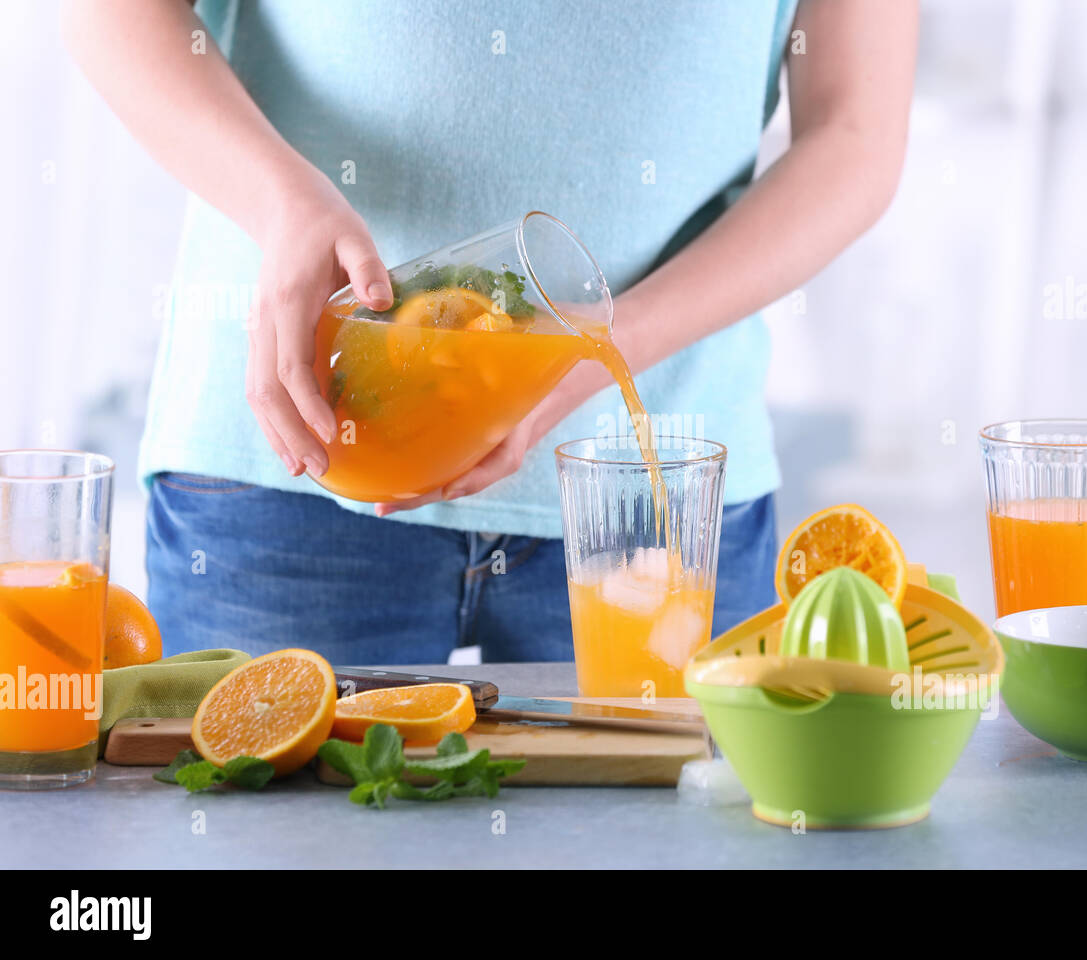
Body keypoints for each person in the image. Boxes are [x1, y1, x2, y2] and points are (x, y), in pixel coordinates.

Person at [63, 0, 916, 662]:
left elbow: (856, 135)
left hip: (655, 496)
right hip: (300, 454)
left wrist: (589, 353)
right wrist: (279, 201)